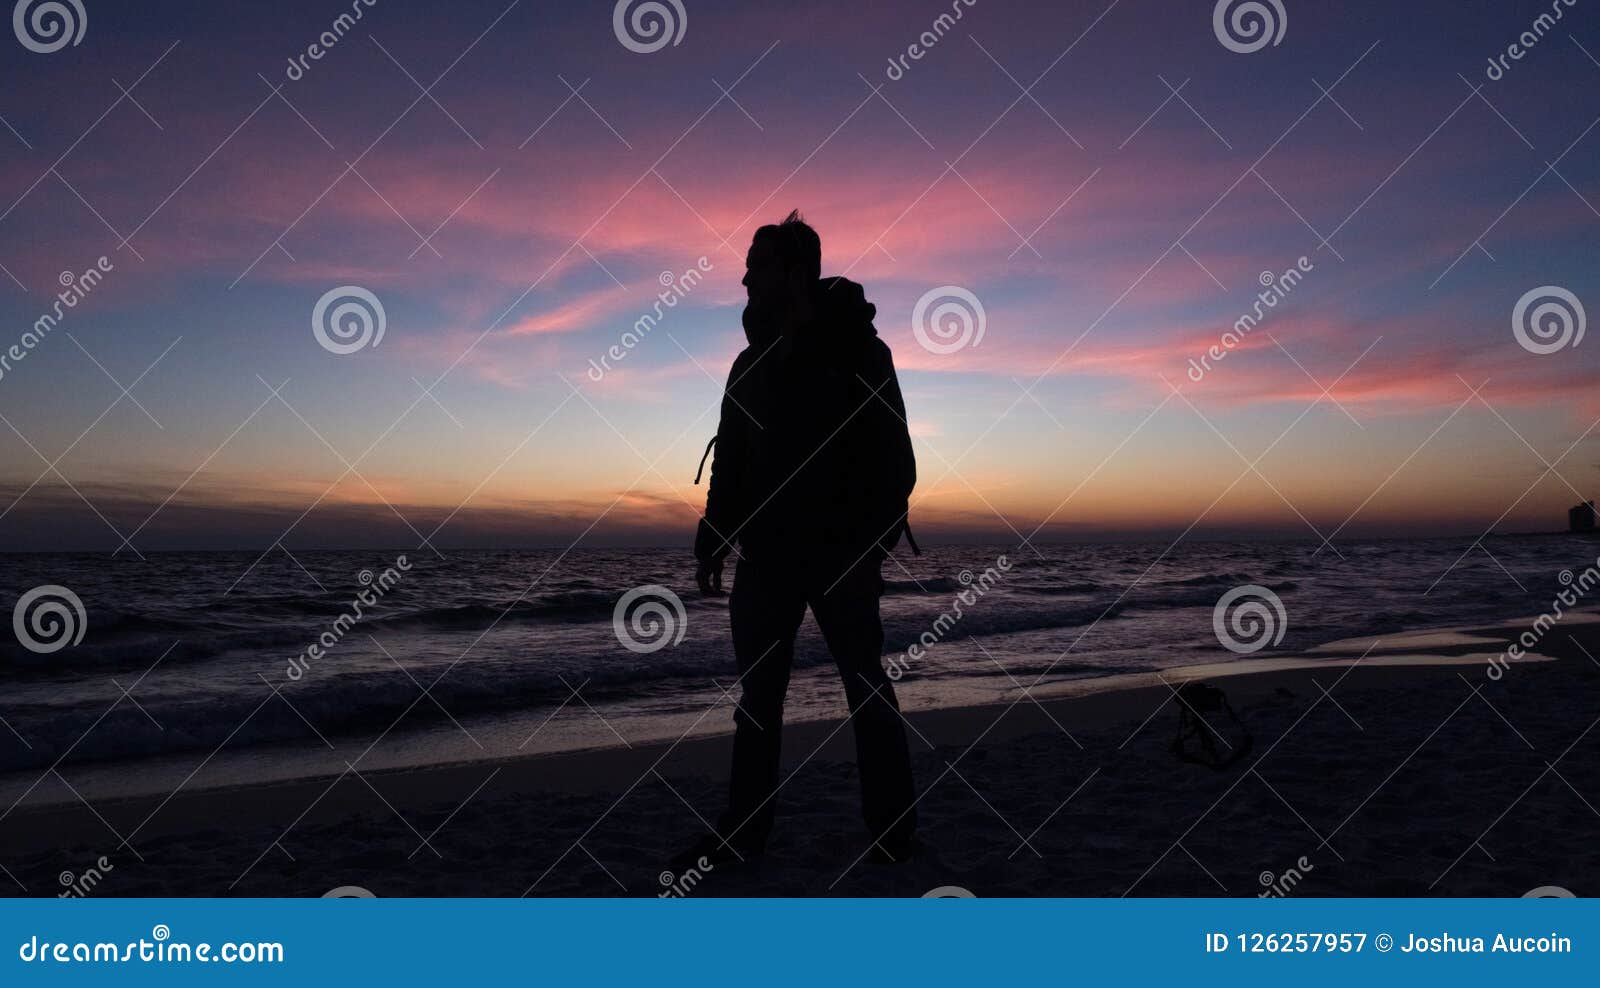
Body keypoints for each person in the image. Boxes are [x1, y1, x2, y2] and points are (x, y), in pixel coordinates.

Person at [678, 210, 919, 868]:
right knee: (759, 701)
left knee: (866, 688)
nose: (744, 279)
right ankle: (744, 834)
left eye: (755, 267)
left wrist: (869, 546)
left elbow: (898, 461)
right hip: (766, 561)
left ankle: (894, 834)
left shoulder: (861, 352)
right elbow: (731, 462)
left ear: (791, 272)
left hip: (841, 556)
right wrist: (713, 538)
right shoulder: (747, 365)